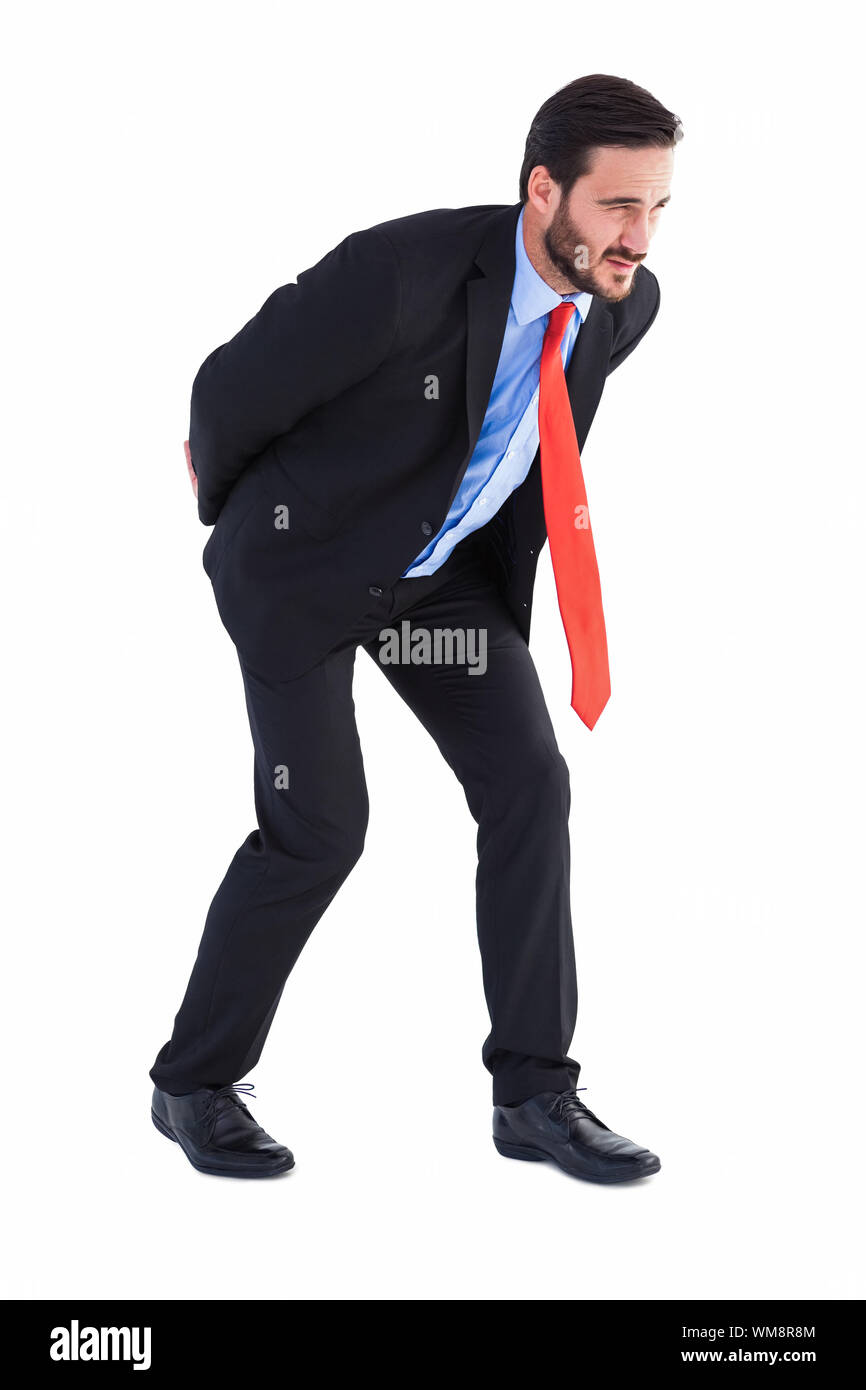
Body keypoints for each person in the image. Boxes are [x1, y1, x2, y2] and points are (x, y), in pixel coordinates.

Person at [149, 72, 682, 1183]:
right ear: (544, 191)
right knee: (320, 828)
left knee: (528, 785)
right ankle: (192, 1083)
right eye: (617, 206)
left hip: (430, 599)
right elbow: (230, 394)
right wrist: (248, 527)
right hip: (302, 583)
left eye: (655, 209)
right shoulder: (401, 273)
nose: (637, 236)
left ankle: (533, 1093)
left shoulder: (623, 307)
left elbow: (525, 444)